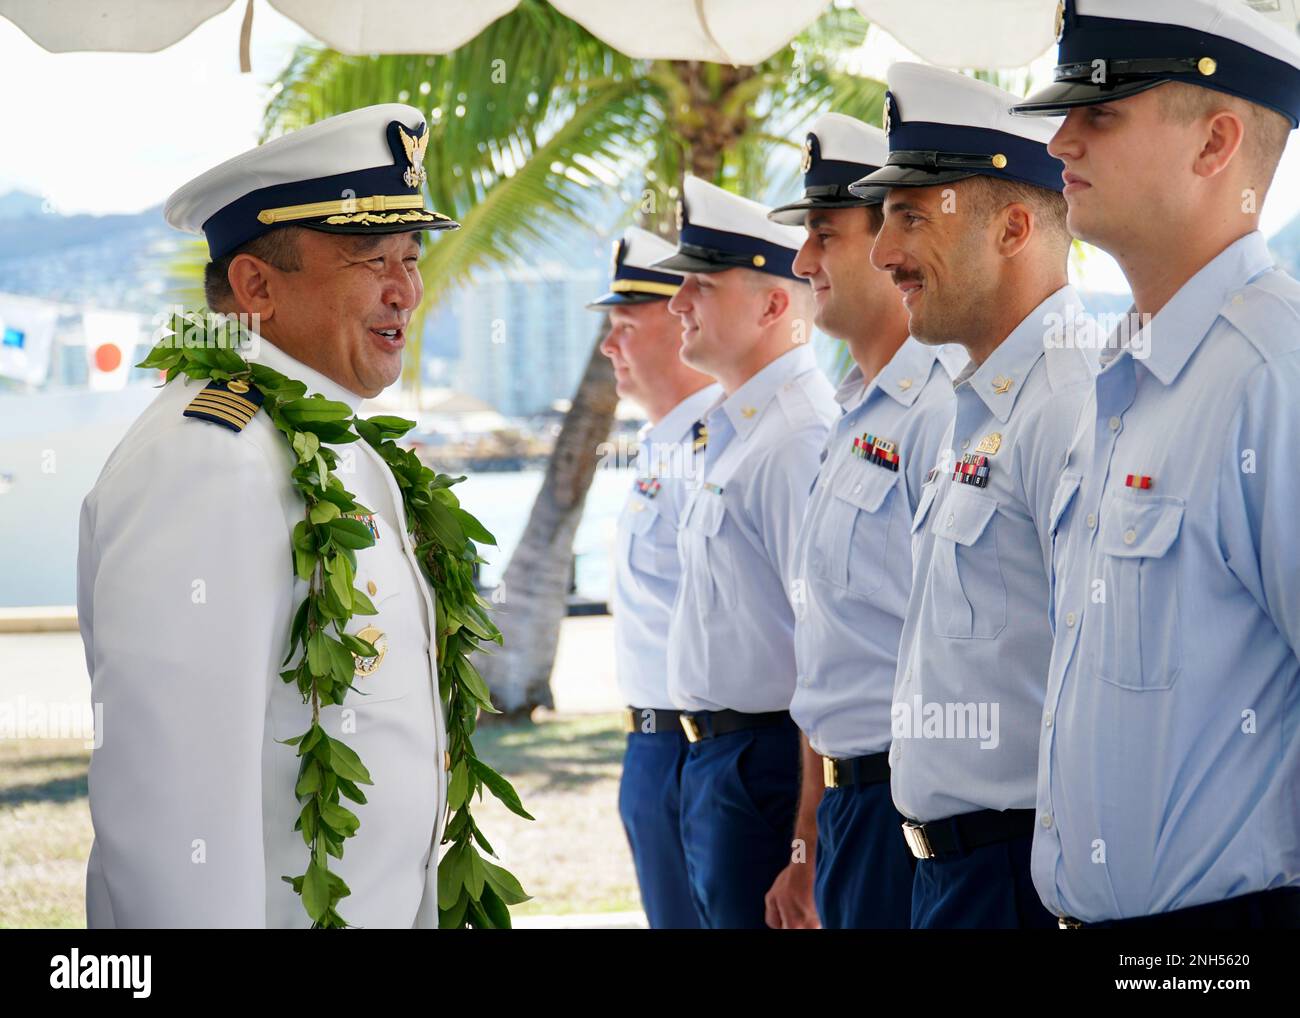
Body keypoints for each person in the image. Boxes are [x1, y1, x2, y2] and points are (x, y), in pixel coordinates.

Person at [77, 104, 458, 927]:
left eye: (410, 256)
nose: (405, 289)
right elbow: (170, 806)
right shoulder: (208, 457)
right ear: (255, 286)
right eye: (370, 259)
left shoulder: (331, 443)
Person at [1010, 0, 1300, 928]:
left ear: (1216, 143)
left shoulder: (1273, 374)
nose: (1059, 142)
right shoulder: (1126, 372)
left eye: (1100, 113)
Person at [850, 63, 1091, 928]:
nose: (882, 254)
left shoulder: (1068, 402)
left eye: (911, 216)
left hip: (1013, 881)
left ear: (1014, 228)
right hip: (947, 875)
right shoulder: (979, 404)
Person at [762, 113, 964, 929]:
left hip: (905, 805)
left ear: (888, 244)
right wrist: (808, 838)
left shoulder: (943, 408)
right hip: (848, 806)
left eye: (823, 234)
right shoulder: (851, 411)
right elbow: (831, 663)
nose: (804, 261)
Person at [651, 174, 836, 928]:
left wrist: (806, 842)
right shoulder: (739, 434)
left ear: (773, 303)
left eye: (701, 284)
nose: (676, 304)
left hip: (769, 769)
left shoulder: (797, 440)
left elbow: (827, 655)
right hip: (717, 763)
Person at [591, 225, 720, 928]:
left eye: (623, 326)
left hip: (694, 745)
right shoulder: (662, 444)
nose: (609, 347)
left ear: (679, 323)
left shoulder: (715, 447)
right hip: (652, 746)